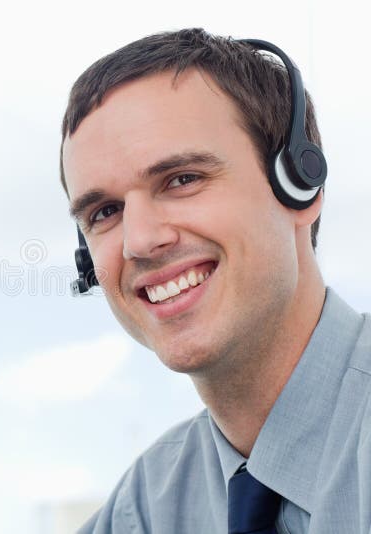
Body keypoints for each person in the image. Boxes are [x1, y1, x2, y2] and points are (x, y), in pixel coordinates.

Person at [60, 28, 371, 533]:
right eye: (105, 212)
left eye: (182, 179)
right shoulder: (144, 508)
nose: (139, 241)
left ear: (299, 183)